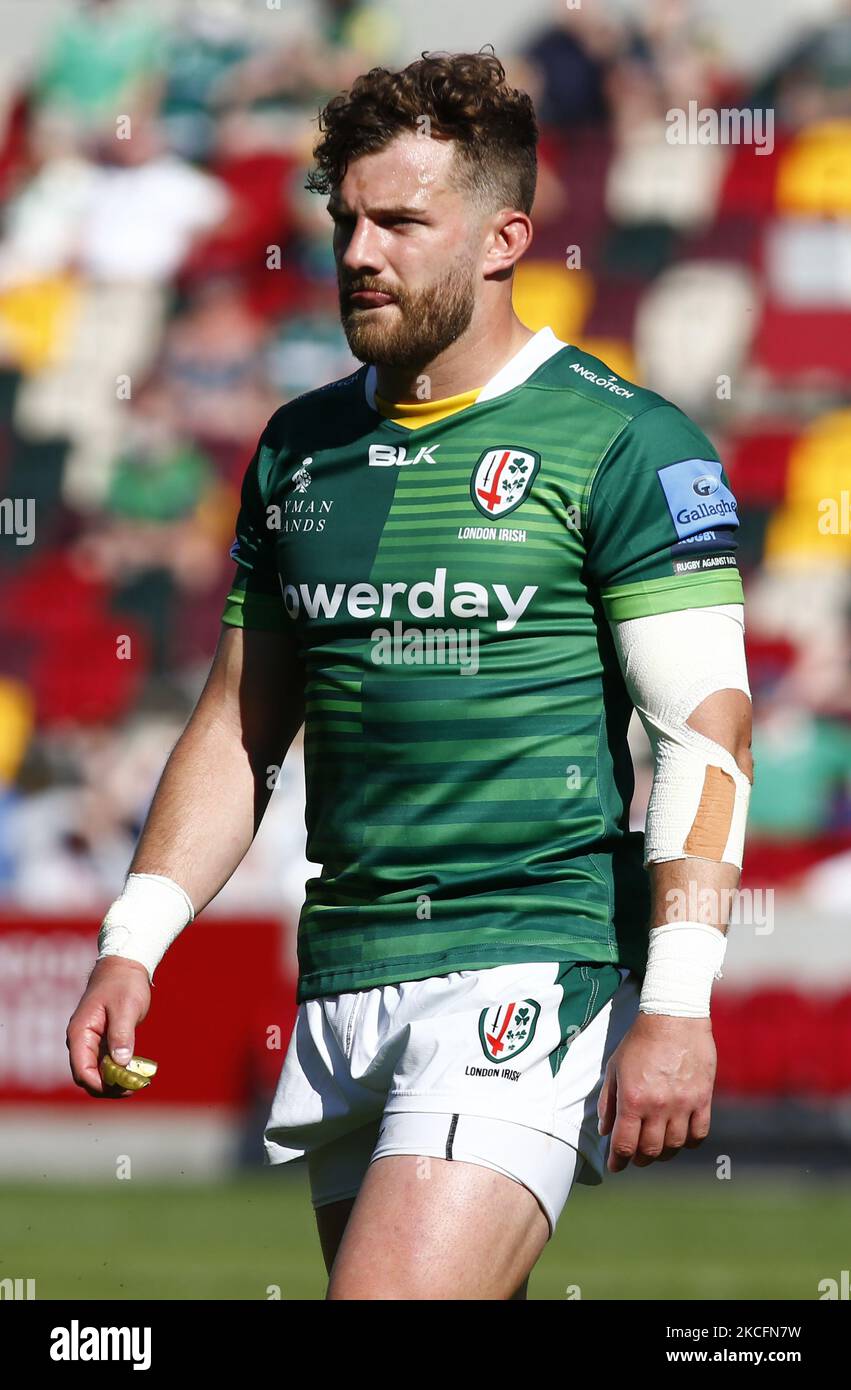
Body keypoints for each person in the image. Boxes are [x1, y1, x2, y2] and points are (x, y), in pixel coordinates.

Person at [67, 50, 754, 1301]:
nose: (360, 252)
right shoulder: (300, 445)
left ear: (502, 237)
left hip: (526, 965)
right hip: (344, 973)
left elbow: (704, 739)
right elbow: (239, 723)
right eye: (344, 221)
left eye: (399, 220)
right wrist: (135, 939)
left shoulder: (624, 441)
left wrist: (680, 1003)